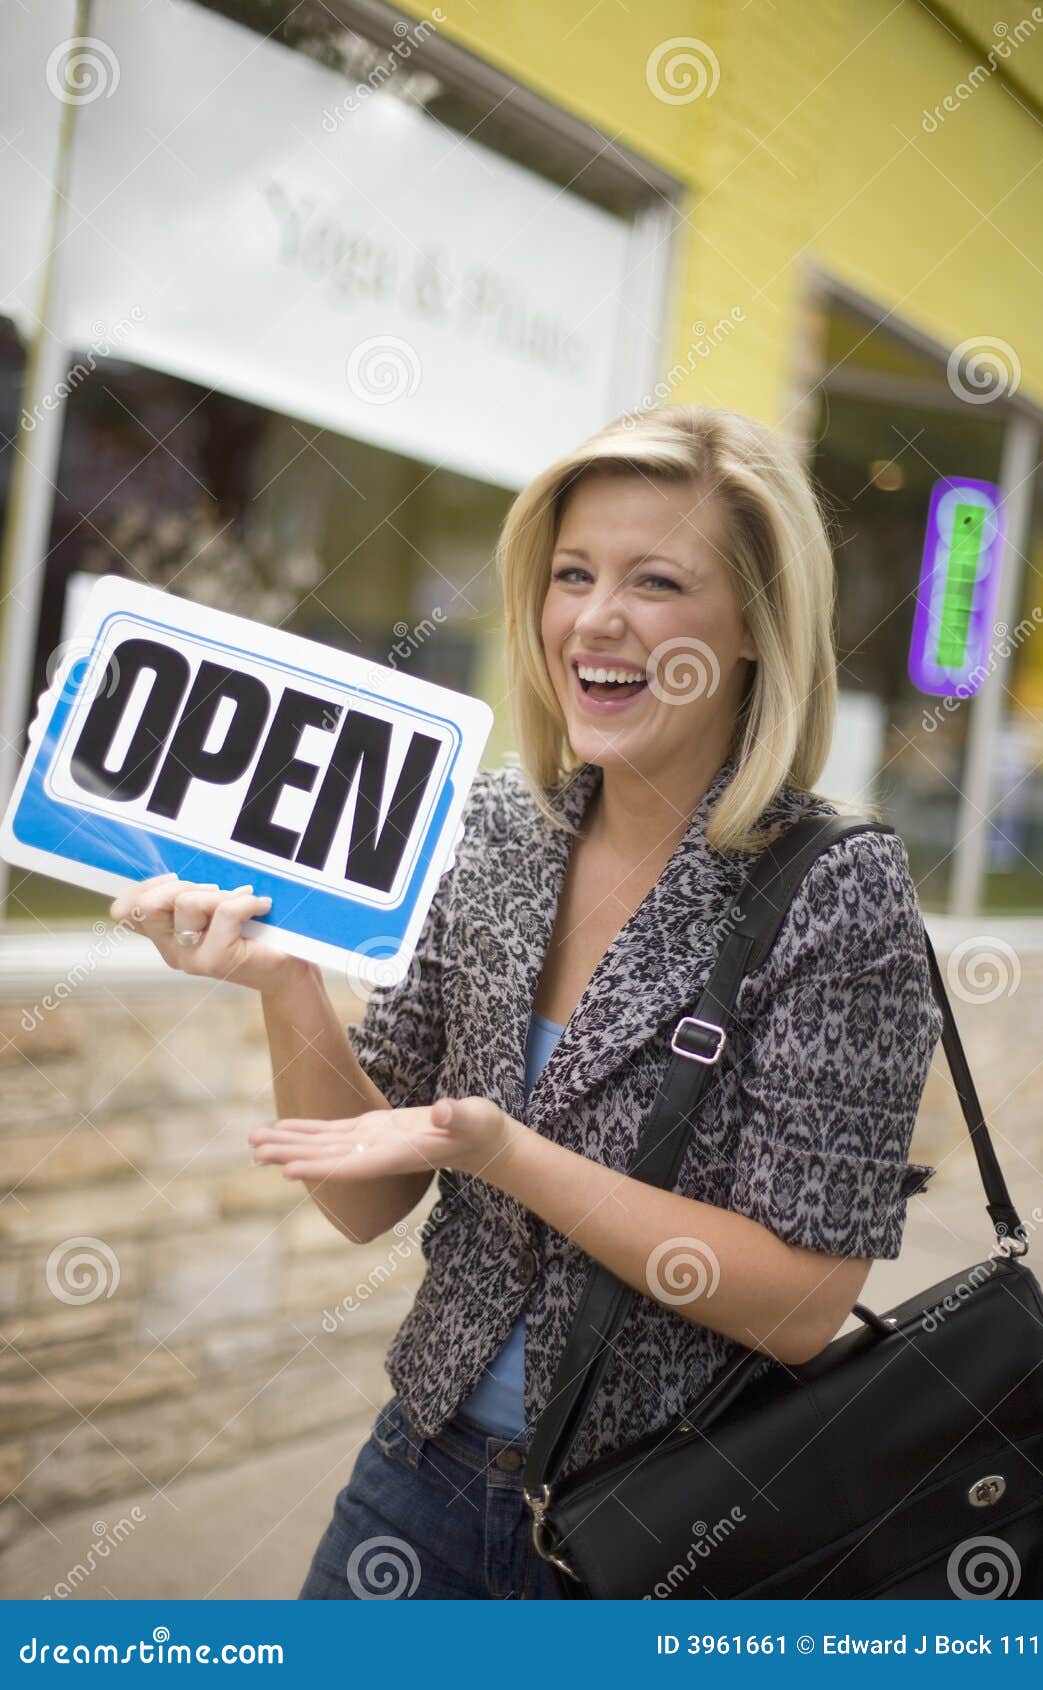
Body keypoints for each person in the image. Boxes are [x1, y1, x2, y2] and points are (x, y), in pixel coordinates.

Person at [109, 405, 941, 1600]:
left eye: (656, 581)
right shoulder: (493, 828)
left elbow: (801, 1304)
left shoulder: (833, 884)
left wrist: (504, 1152)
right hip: (424, 1473)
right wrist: (285, 980)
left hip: (670, 1527)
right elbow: (364, 1197)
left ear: (757, 625)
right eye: (571, 573)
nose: (593, 618)